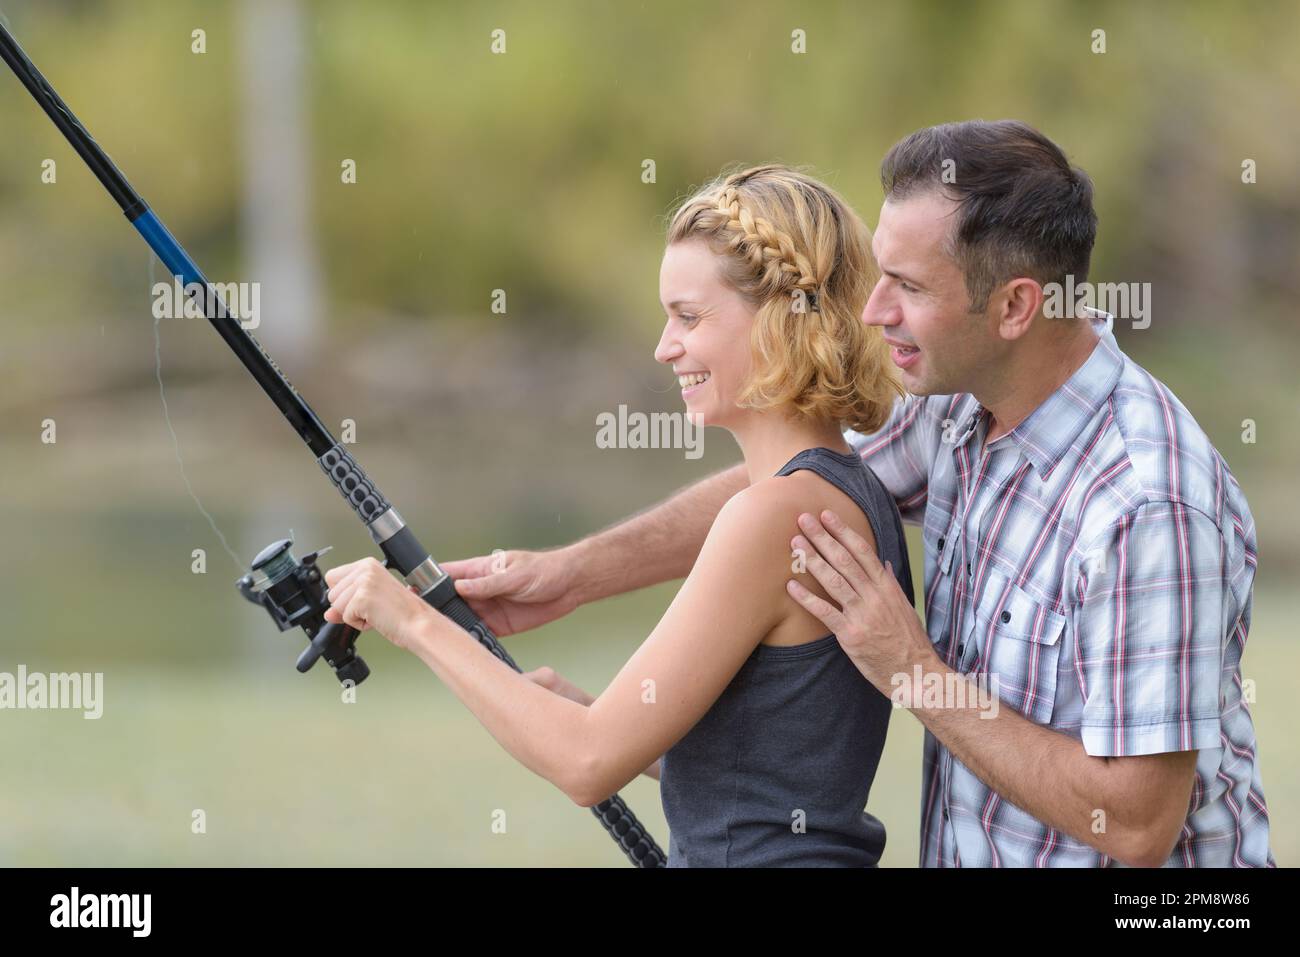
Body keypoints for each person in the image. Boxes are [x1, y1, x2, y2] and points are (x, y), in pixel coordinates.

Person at [439, 121, 1275, 868]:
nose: (873, 312)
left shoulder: (1146, 504)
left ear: (1016, 306)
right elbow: (784, 489)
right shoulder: (956, 406)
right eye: (879, 276)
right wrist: (572, 575)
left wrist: (914, 671)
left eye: (908, 287)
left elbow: (1134, 824)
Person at [323, 164, 915, 866]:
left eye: (689, 317)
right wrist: (597, 712)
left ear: (784, 318)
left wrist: (408, 617)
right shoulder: (852, 488)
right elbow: (774, 780)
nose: (665, 347)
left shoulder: (772, 515)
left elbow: (586, 762)